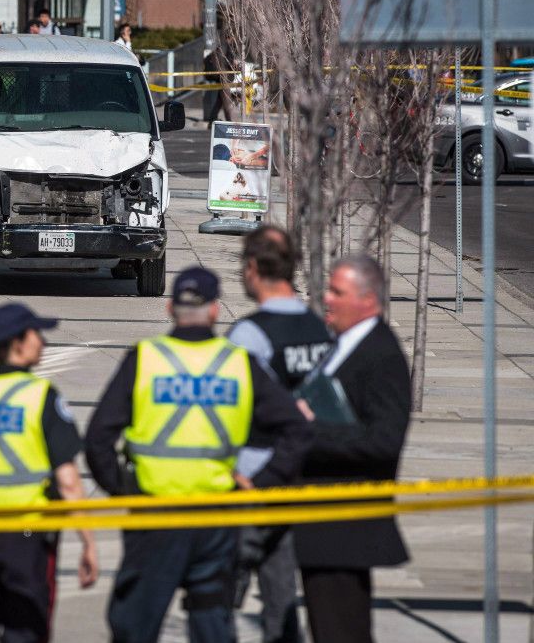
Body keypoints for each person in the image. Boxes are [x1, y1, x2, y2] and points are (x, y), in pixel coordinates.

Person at [85, 266, 312, 643]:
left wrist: (125, 490)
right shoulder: (238, 364)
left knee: (135, 625)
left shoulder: (144, 359)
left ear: (170, 308)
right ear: (214, 311)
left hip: (154, 517)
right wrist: (259, 483)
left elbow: (97, 439)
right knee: (211, 624)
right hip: (215, 519)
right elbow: (297, 429)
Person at [0, 303, 99, 642]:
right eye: (36, 334)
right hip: (25, 541)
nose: (42, 342)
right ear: (18, 342)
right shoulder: (40, 397)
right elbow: (69, 481)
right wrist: (88, 542)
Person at [293, 255, 411, 643]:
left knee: (341, 630)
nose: (326, 298)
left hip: (345, 526)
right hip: (322, 524)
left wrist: (312, 432)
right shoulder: (343, 343)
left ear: (367, 299)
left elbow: (384, 440)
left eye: (336, 292)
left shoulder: (382, 355)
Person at [227, 227, 333, 643]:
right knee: (281, 597)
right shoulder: (319, 331)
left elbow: (231, 410)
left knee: (217, 599)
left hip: (252, 479)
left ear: (253, 269)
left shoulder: (249, 336)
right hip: (298, 478)